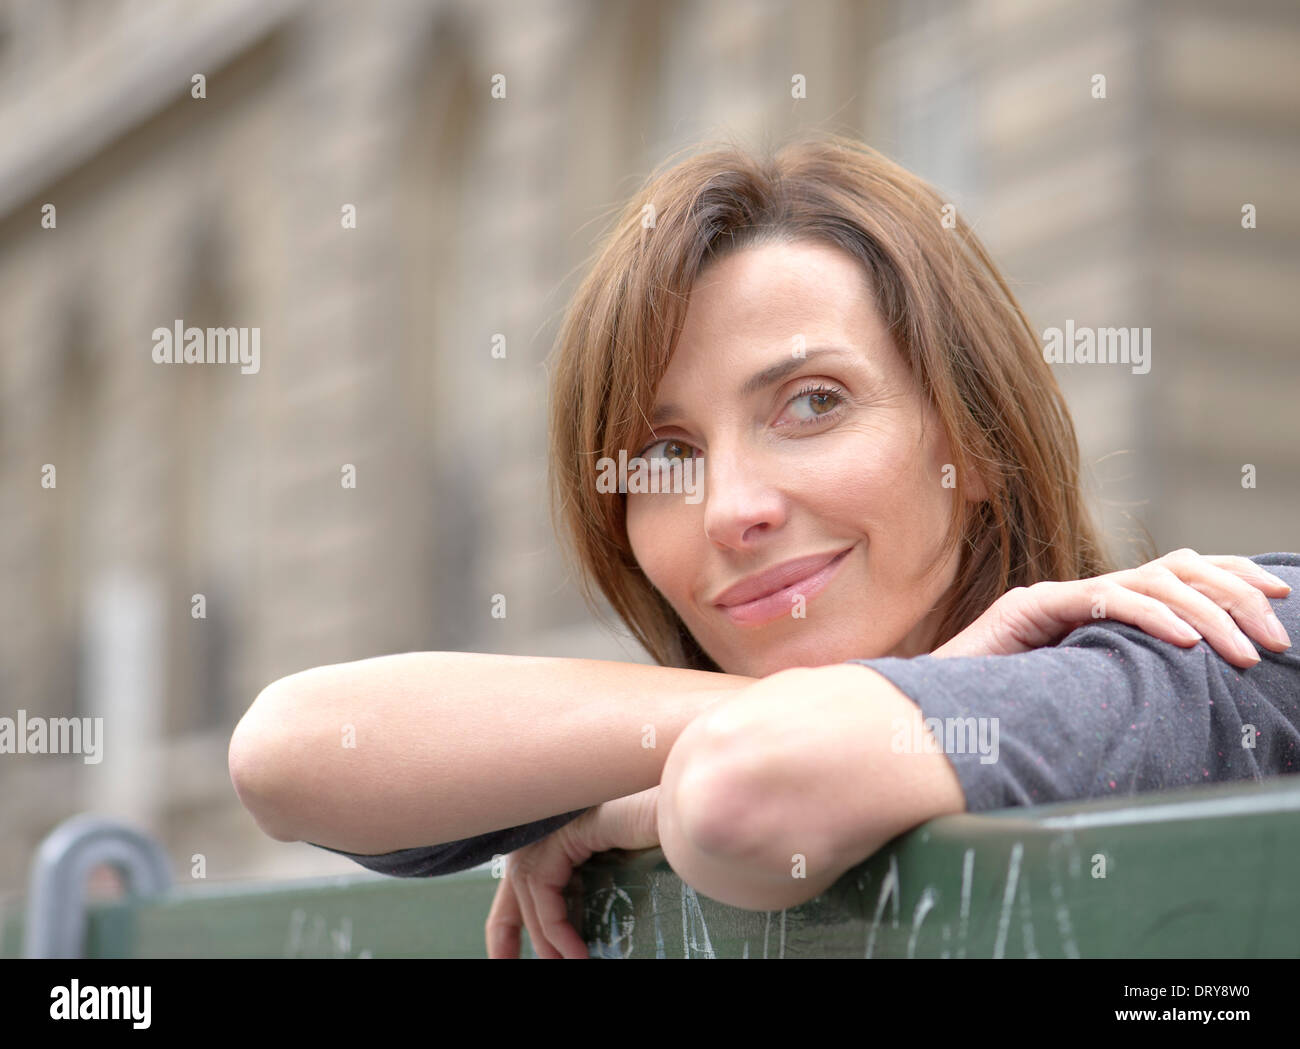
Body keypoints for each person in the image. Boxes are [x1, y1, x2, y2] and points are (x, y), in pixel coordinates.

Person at [227, 132, 1299, 959]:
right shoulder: (669, 744)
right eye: (665, 452)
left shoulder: (1216, 645)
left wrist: (646, 798)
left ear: (971, 439)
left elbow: (747, 794)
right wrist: (935, 687)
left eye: (811, 402)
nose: (730, 505)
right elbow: (289, 748)